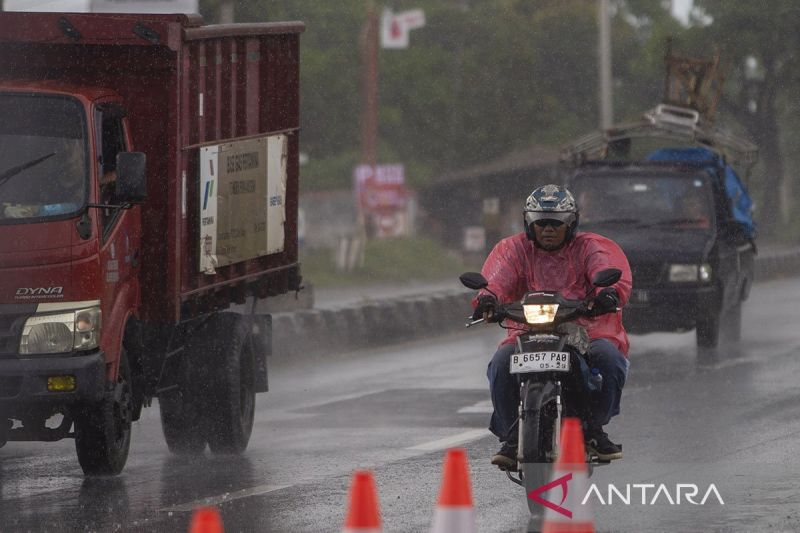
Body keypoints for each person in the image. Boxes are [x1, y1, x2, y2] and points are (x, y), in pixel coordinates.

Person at [473, 184, 633, 469]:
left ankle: (594, 429)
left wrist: (606, 294)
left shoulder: (591, 247)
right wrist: (487, 299)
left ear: (571, 224)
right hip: (528, 329)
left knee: (609, 360)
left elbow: (607, 271)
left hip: (585, 329)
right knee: (500, 364)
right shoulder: (514, 250)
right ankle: (512, 438)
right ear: (528, 223)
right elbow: (496, 279)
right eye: (541, 223)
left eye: (556, 223)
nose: (548, 229)